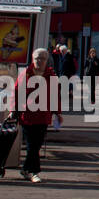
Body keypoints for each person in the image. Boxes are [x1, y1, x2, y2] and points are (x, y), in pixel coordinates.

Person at [7, 48, 61, 183]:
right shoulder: (26, 74)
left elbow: (55, 96)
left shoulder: (51, 75)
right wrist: (13, 110)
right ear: (32, 58)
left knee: (37, 145)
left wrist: (57, 113)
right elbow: (16, 93)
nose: (39, 60)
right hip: (27, 115)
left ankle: (26, 169)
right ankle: (33, 172)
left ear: (46, 60)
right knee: (32, 145)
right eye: (37, 58)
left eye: (42, 58)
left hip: (43, 116)